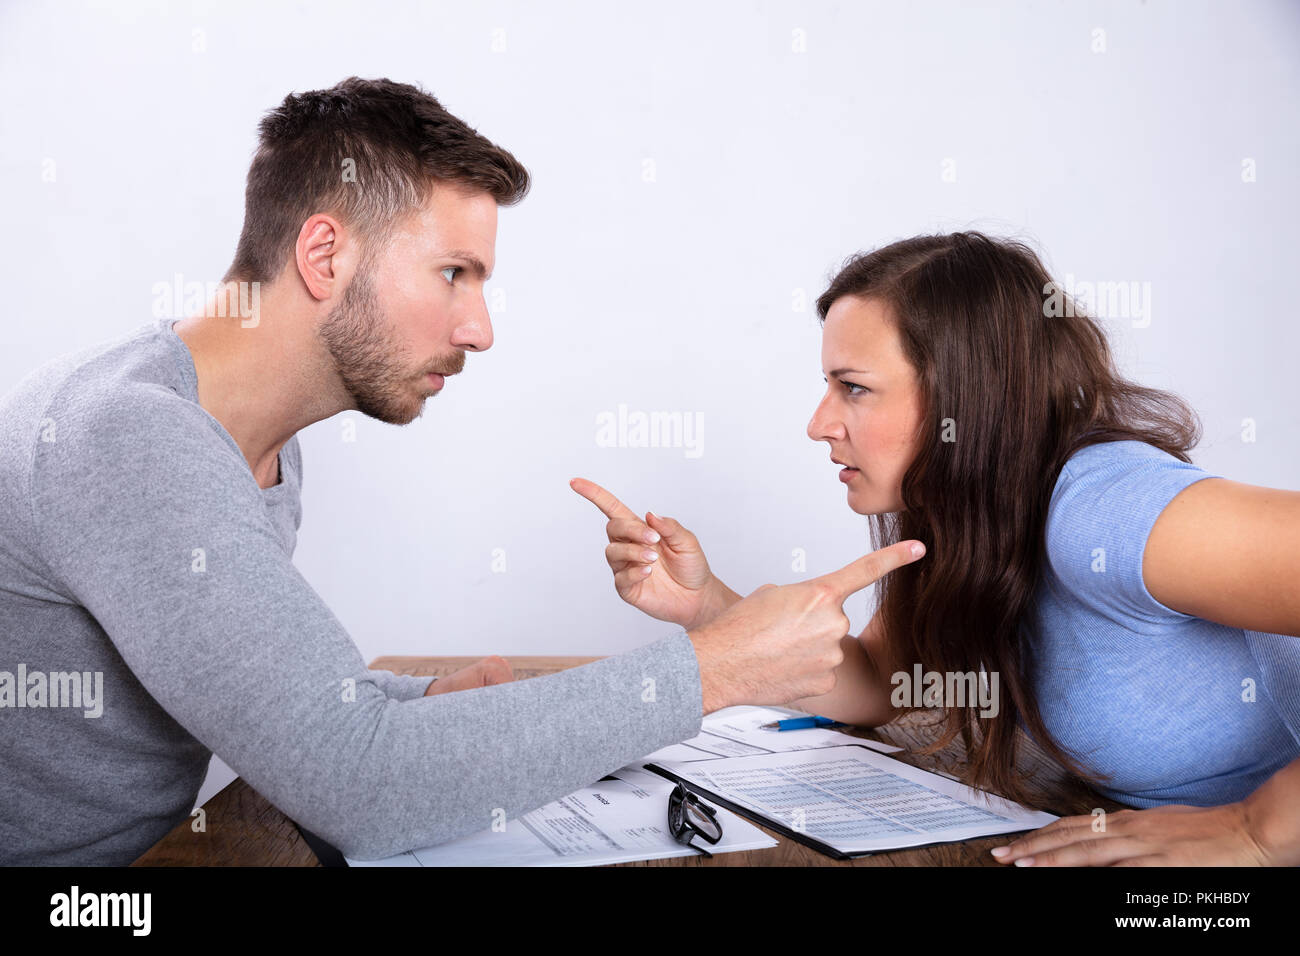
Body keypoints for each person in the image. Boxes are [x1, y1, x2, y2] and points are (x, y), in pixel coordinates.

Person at [0, 76, 926, 866]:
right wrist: (712, 671)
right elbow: (357, 779)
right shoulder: (133, 437)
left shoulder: (254, 441)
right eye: (454, 273)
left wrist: (428, 704)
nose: (481, 328)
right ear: (325, 254)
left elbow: (283, 699)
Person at [572, 231, 1300, 866]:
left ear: (965, 400)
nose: (819, 424)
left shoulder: (1108, 510)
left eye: (854, 388)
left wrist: (1258, 832)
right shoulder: (965, 521)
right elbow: (877, 685)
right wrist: (711, 609)